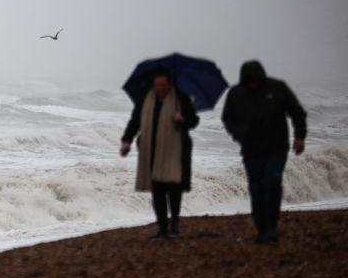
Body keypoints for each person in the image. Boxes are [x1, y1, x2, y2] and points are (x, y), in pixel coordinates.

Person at [221, 60, 307, 244]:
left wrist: (300, 137)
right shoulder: (236, 93)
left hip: (277, 147)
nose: (254, 84)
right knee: (256, 188)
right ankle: (261, 228)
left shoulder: (277, 88)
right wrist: (239, 134)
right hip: (251, 150)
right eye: (249, 81)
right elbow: (227, 118)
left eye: (256, 80)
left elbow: (297, 112)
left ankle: (272, 227)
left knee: (272, 181)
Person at [120, 70, 200, 238]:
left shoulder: (180, 99)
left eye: (163, 85)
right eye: (157, 85)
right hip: (152, 148)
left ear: (170, 84)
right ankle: (162, 226)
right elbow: (135, 121)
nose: (160, 88)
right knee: (157, 189)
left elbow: (194, 121)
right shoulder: (145, 99)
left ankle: (175, 221)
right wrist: (126, 140)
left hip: (175, 149)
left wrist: (182, 118)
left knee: (173, 186)